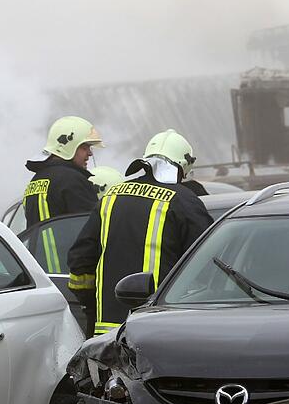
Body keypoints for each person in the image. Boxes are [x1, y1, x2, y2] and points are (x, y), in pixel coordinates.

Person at [68, 129, 213, 336]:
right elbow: (208, 264)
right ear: (182, 167)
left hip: (107, 335)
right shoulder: (183, 201)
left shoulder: (111, 197)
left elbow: (80, 262)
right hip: (161, 331)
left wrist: (93, 305)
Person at [22, 116, 102, 229]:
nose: (90, 153)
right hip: (66, 247)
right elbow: (91, 230)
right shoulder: (73, 181)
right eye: (84, 147)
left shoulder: (35, 180)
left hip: (38, 247)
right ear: (68, 146)